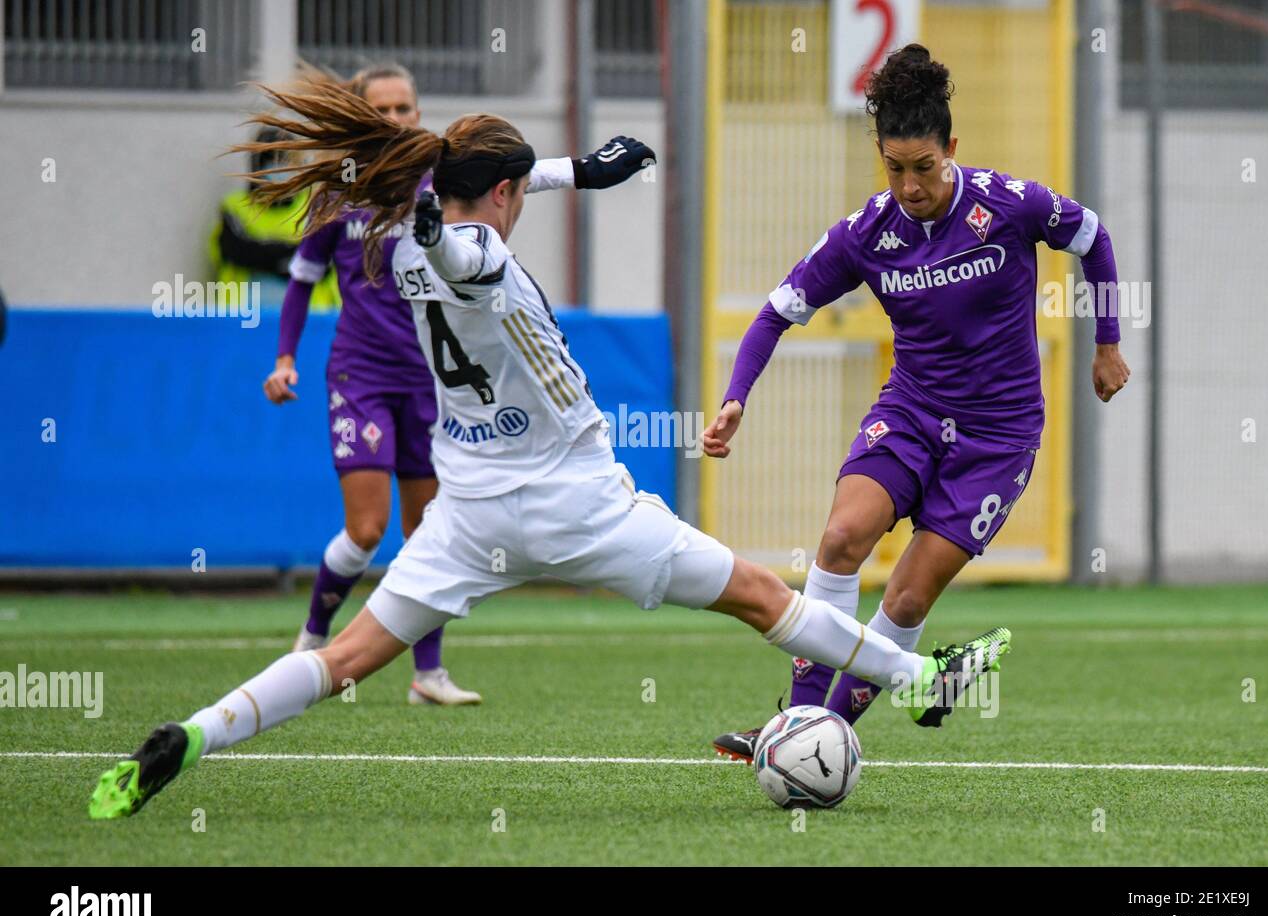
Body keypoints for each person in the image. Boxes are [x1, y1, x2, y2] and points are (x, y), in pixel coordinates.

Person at [88, 69, 1009, 819]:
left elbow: (461, 198)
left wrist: (572, 174)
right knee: (762, 596)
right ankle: (921, 671)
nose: (525, 198)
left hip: (469, 514)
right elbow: (472, 253)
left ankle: (196, 733)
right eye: (522, 189)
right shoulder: (467, 249)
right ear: (497, 196)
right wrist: (467, 227)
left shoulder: (402, 242)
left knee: (342, 661)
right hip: (581, 506)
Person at [705, 44, 1129, 763]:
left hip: (999, 435)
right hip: (911, 413)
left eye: (923, 168)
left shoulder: (1008, 203)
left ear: (951, 150)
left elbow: (1093, 236)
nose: (909, 185)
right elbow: (775, 313)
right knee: (842, 540)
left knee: (904, 601)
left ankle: (825, 739)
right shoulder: (866, 233)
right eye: (894, 167)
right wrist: (735, 397)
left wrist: (1107, 342)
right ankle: (799, 726)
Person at [267, 63, 655, 706]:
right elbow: (303, 282)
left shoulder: (437, 181)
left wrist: (589, 169)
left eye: (406, 108)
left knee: (431, 532)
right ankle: (312, 637)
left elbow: (512, 173)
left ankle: (429, 674)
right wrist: (284, 359)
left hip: (433, 383)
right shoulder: (340, 193)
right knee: (367, 530)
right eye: (383, 109)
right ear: (364, 116)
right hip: (360, 375)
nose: (397, 119)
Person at [210, 125, 341, 312]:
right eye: (270, 161)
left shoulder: (317, 209)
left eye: (285, 162)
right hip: (243, 322)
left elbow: (322, 261)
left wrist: (264, 254)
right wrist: (290, 257)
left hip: (307, 323)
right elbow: (236, 251)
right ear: (256, 167)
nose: (279, 170)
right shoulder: (236, 208)